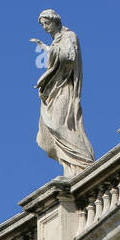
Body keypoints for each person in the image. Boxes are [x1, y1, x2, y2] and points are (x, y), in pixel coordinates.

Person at [33, 10, 95, 177]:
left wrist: (50, 50)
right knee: (52, 128)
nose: (45, 27)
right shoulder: (56, 42)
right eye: (43, 25)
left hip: (65, 88)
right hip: (55, 89)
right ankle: (72, 168)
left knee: (61, 125)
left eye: (47, 23)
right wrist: (45, 47)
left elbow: (70, 56)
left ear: (55, 21)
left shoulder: (69, 36)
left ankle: (83, 164)